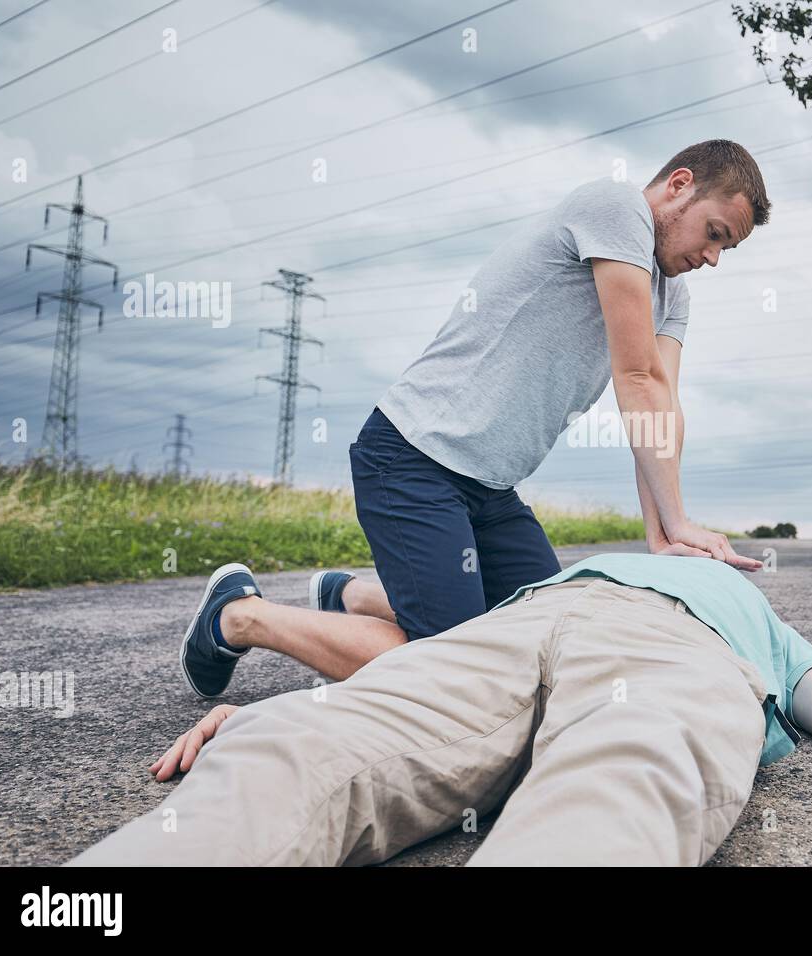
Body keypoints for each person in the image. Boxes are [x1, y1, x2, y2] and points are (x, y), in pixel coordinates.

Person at [180, 139, 774, 701]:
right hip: (413, 458)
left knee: (545, 638)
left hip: (489, 491)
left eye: (729, 248)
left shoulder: (673, 296)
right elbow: (637, 379)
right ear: (679, 186)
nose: (714, 257)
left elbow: (660, 405)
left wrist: (663, 538)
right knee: (463, 673)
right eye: (715, 233)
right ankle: (238, 616)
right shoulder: (617, 208)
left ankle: (351, 597)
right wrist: (678, 521)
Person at [83, 554, 812, 867]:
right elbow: (429, 667)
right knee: (300, 746)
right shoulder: (592, 555)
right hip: (526, 625)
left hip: (680, 656)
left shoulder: (759, 620)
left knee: (625, 776)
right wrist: (325, 701)